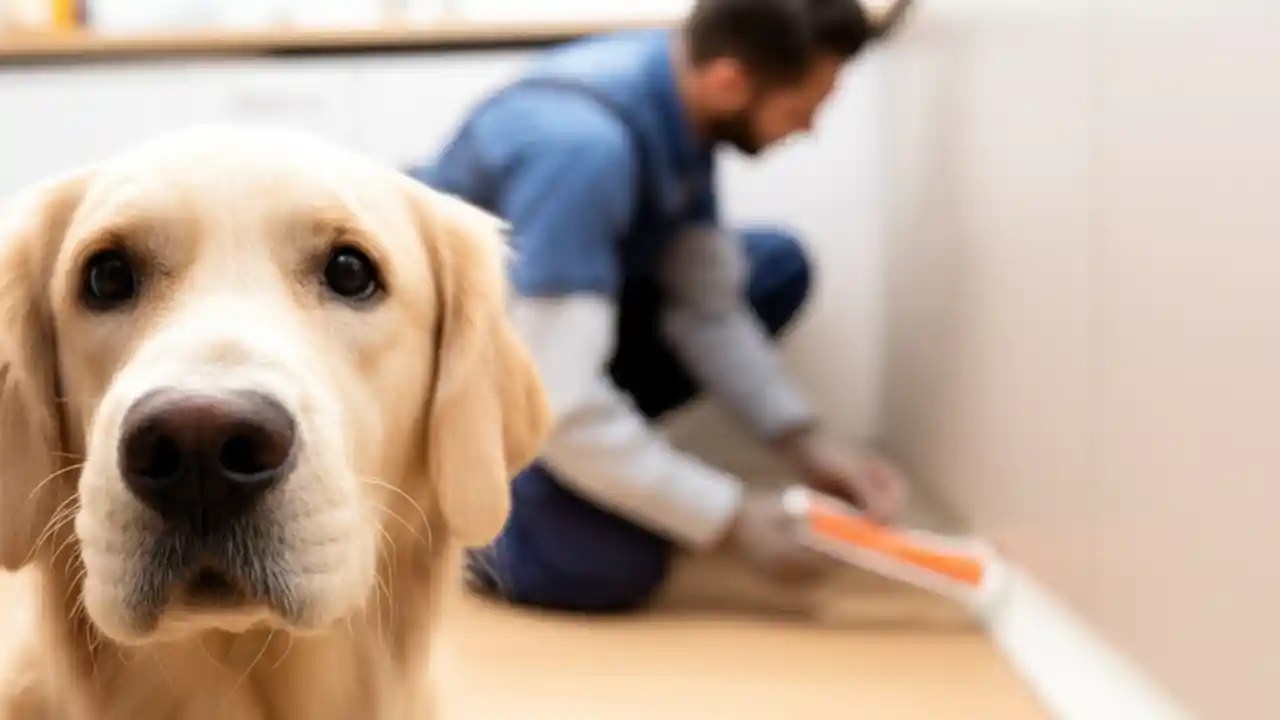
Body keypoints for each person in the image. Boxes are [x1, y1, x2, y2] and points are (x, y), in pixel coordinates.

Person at [408, 0, 915, 612]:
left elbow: (706, 310)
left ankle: (598, 470)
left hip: (545, 344)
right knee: (610, 567)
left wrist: (805, 441)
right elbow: (559, 401)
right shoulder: (583, 150)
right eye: (803, 107)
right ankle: (433, 508)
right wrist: (730, 519)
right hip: (460, 395)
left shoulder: (680, 101)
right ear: (731, 81)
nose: (808, 127)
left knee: (774, 266)